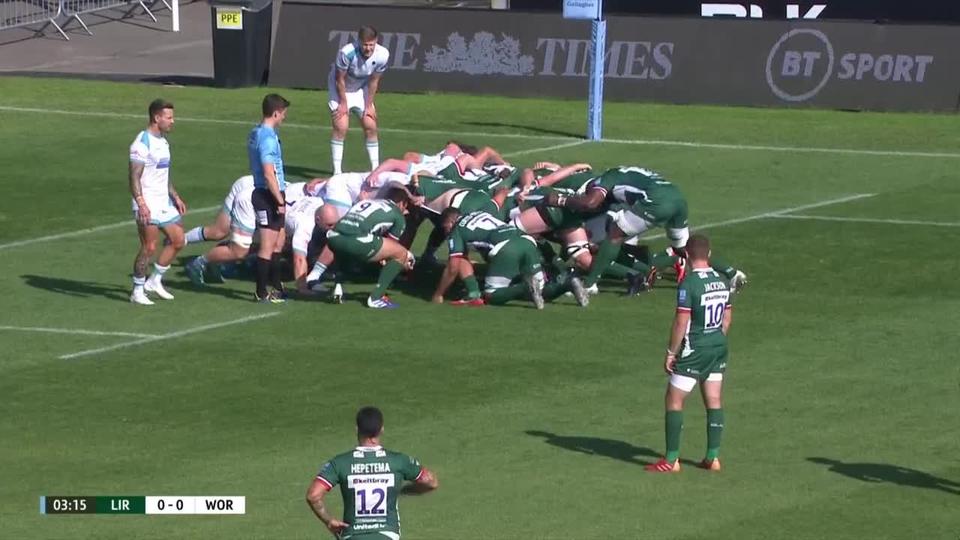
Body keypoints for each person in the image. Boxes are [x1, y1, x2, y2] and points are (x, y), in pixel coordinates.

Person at [646, 234, 732, 473]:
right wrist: (716, 338)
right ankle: (712, 457)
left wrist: (670, 352)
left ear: (687, 255)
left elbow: (680, 322)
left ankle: (671, 460)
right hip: (718, 345)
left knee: (674, 400)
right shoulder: (723, 280)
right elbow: (727, 318)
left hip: (696, 348)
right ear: (709, 254)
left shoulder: (689, 284)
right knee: (714, 399)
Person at [306, 406, 438, 540]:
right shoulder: (398, 461)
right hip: (387, 535)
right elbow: (430, 482)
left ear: (357, 429)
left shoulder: (340, 463)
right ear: (381, 430)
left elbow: (313, 496)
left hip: (352, 536)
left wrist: (329, 520)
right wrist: (407, 490)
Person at [433, 209, 589, 309]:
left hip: (506, 248)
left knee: (491, 295)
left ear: (450, 222)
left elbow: (454, 264)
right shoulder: (481, 213)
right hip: (526, 240)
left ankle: (524, 286)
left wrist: (439, 293)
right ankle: (568, 283)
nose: (445, 232)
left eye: (445, 227)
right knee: (540, 290)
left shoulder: (457, 229)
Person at [307, 187, 417, 309]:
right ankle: (376, 298)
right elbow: (392, 245)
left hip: (333, 237)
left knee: (345, 249)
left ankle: (338, 287)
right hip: (355, 240)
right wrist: (404, 259)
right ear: (403, 202)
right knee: (401, 253)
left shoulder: (368, 202)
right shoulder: (398, 215)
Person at [128, 98, 186, 305]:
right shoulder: (141, 144)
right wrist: (141, 203)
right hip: (147, 203)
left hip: (164, 203)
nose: (173, 121)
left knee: (179, 240)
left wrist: (175, 196)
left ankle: (155, 281)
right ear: (156, 117)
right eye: (169, 117)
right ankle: (137, 290)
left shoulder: (163, 141)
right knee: (149, 247)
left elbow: (163, 174)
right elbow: (134, 176)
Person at [329, 26, 389, 175]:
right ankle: (337, 172)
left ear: (376, 42)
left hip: (360, 88)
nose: (368, 48)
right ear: (359, 42)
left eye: (371, 45)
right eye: (365, 45)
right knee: (341, 126)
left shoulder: (382, 54)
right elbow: (339, 79)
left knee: (370, 125)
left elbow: (374, 81)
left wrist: (369, 105)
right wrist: (343, 103)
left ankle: (375, 169)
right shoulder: (346, 53)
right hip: (340, 89)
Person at [249, 94, 291, 303]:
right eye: (283, 114)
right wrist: (279, 201)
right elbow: (268, 173)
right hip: (268, 195)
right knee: (267, 245)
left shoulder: (257, 132)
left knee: (278, 242)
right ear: (275, 113)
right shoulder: (266, 137)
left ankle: (276, 286)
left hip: (273, 193)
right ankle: (260, 291)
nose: (284, 117)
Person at [184, 175, 255, 285]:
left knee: (260, 241)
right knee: (219, 231)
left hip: (258, 194)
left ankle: (216, 261)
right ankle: (179, 240)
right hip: (247, 190)